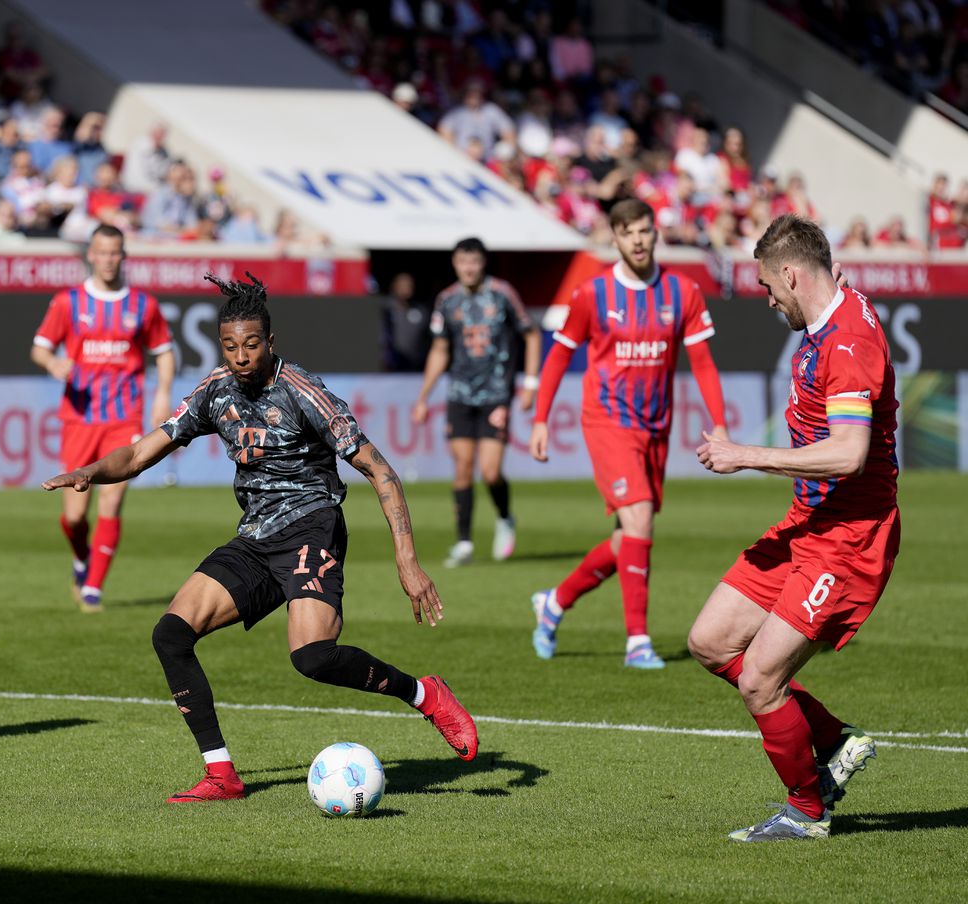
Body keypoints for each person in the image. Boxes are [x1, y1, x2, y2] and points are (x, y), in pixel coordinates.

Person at [42, 272, 478, 803]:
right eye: (230, 347)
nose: (241, 357)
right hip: (255, 537)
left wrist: (407, 561)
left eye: (251, 345)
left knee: (312, 657)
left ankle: (424, 695)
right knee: (170, 635)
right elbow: (137, 454)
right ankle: (221, 774)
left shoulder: (303, 391)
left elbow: (380, 471)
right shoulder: (214, 390)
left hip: (312, 525)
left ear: (270, 341)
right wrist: (90, 472)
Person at [690, 215, 895, 841]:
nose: (766, 298)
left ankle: (807, 810)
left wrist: (745, 455)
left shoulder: (848, 342)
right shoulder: (831, 313)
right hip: (808, 521)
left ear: (790, 274)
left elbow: (849, 454)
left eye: (766, 285)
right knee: (710, 641)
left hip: (848, 537)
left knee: (759, 678)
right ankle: (833, 740)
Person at [528, 199, 728, 669]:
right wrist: (540, 418)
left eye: (644, 230)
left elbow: (702, 362)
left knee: (628, 540)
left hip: (656, 425)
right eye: (627, 232)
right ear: (615, 239)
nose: (637, 240)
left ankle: (554, 603)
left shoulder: (683, 291)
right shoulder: (592, 293)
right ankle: (638, 641)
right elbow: (559, 355)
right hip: (608, 420)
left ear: (655, 233)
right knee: (639, 522)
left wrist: (719, 423)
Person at [32, 224, 175, 611]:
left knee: (111, 500)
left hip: (124, 418)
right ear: (91, 255)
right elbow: (40, 348)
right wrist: (53, 363)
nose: (109, 259)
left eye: (115, 252)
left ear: (123, 255)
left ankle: (93, 588)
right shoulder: (68, 302)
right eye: (102, 252)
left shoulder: (143, 305)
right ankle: (82, 559)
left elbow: (164, 351)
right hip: (79, 418)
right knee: (75, 515)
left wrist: (163, 394)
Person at [412, 238, 539, 567]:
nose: (468, 268)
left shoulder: (502, 294)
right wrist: (424, 396)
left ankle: (505, 516)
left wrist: (530, 383)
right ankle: (464, 542)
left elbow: (531, 334)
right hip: (460, 396)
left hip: (496, 395)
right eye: (462, 262)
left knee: (491, 471)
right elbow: (440, 349)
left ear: (483, 263)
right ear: (455, 264)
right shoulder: (447, 300)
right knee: (463, 467)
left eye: (474, 262)